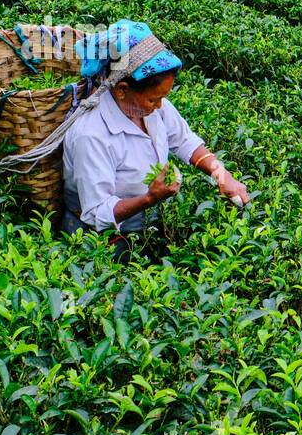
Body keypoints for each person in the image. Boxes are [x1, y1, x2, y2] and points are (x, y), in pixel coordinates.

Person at [62, 20, 250, 258]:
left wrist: (222, 175)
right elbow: (97, 212)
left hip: (147, 225)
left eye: (163, 97)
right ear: (121, 90)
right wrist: (150, 198)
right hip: (100, 239)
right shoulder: (91, 135)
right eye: (153, 99)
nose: (160, 106)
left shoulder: (151, 108)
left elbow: (184, 141)